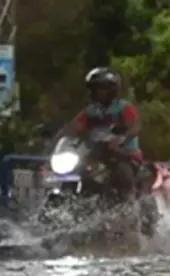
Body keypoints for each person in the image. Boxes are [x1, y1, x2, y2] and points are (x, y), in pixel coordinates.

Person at [59, 67, 144, 203]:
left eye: (100, 88)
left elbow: (136, 126)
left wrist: (122, 138)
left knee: (122, 172)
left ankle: (130, 204)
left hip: (124, 154)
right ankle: (67, 204)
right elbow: (72, 128)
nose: (96, 92)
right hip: (97, 154)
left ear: (111, 90)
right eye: (94, 88)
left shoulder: (124, 108)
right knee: (73, 173)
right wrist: (59, 141)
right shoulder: (91, 111)